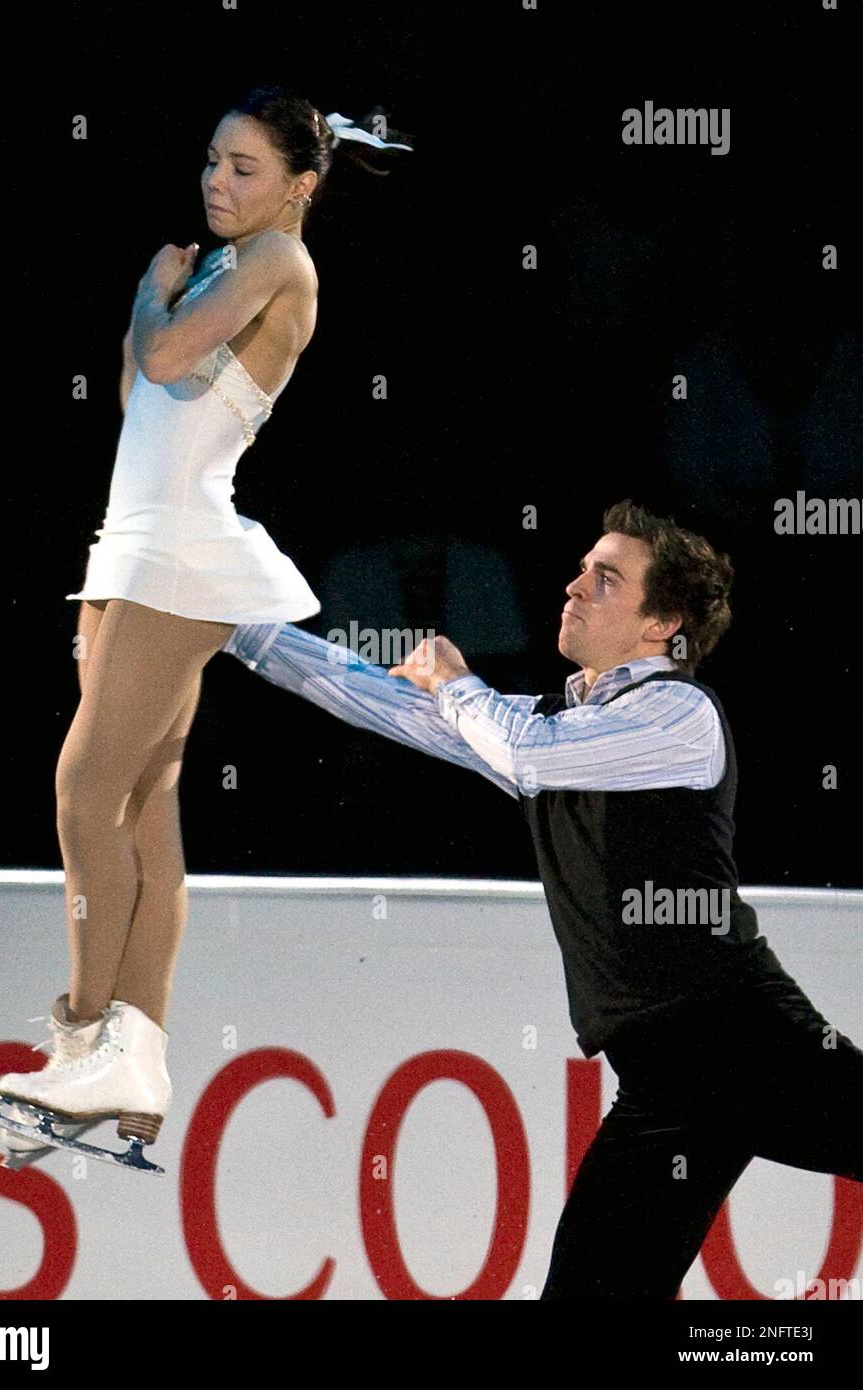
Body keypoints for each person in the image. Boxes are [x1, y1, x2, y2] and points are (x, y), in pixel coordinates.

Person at [219, 499, 863, 1295]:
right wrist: (232, 629)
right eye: (582, 570)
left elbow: (523, 755)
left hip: (740, 1041)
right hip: (664, 1082)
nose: (571, 586)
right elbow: (384, 705)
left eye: (604, 579)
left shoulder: (676, 713)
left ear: (661, 624)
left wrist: (457, 682)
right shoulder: (560, 725)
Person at [0, 86, 413, 1172]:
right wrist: (156, 307)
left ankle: (88, 1035)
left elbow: (165, 360)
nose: (218, 183)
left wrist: (144, 296)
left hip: (176, 548)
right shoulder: (230, 265)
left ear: (299, 186)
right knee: (144, 811)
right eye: (213, 162)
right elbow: (142, 399)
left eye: (243, 169)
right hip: (136, 539)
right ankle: (139, 1062)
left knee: (85, 791)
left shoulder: (282, 262)